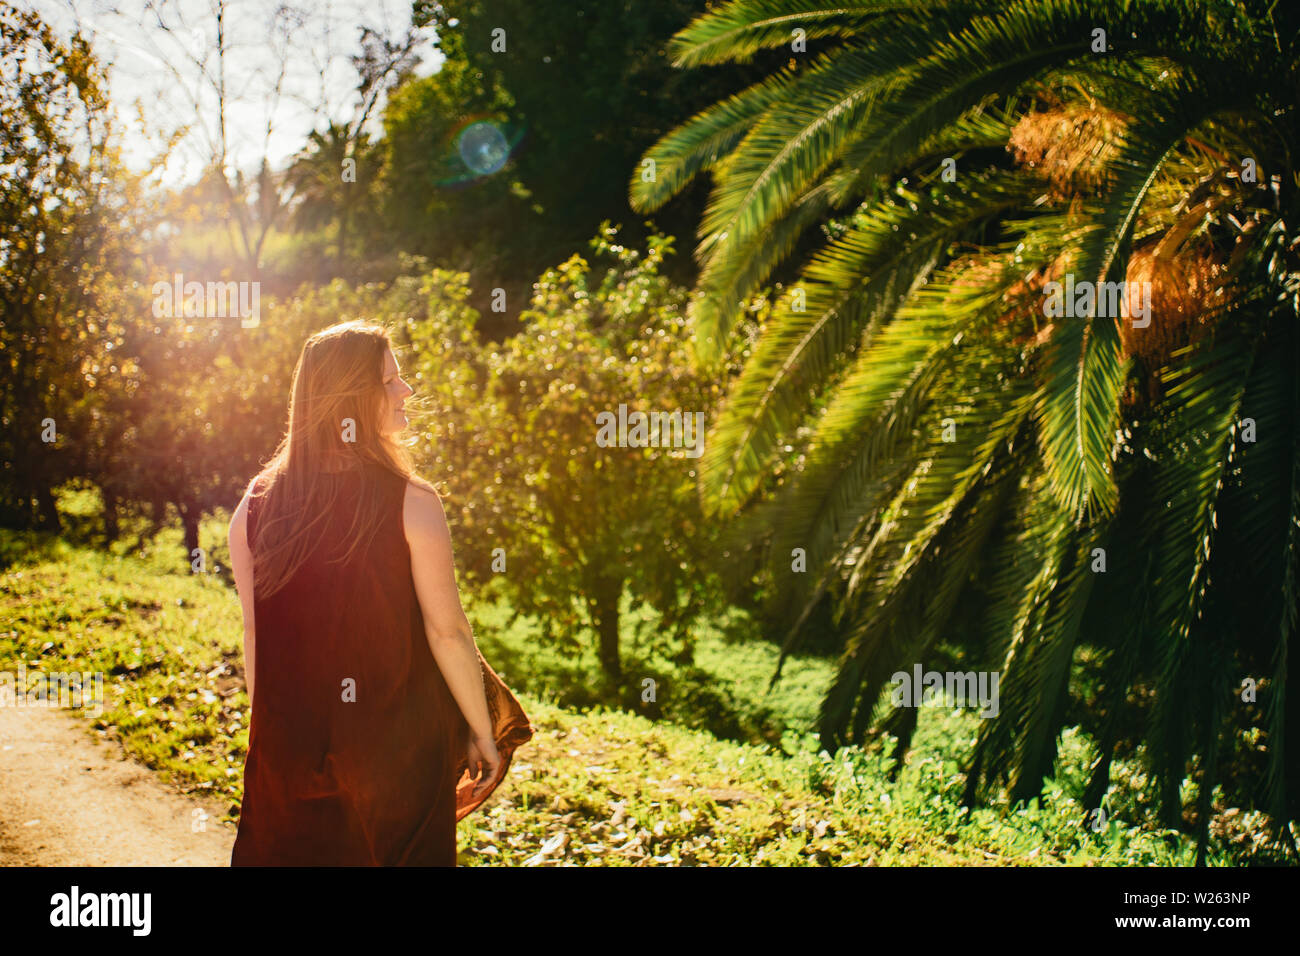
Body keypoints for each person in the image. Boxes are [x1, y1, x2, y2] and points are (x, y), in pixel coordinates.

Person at [226, 320, 532, 866]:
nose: (406, 391)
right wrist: (484, 732)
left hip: (289, 757)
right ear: (352, 399)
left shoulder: (253, 505)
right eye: (390, 380)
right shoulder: (412, 502)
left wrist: (272, 738)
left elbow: (255, 637)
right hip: (396, 761)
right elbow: (448, 633)